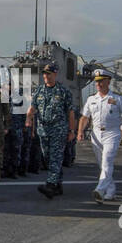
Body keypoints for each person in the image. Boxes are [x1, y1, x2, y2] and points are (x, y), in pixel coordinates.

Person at [77, 69, 122, 203]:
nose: (99, 84)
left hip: (112, 133)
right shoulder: (91, 99)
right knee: (102, 165)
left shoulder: (117, 99)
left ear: (108, 81)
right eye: (97, 81)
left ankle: (100, 190)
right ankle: (110, 191)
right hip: (96, 134)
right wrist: (80, 132)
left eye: (101, 81)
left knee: (107, 161)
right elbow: (84, 117)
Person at [25, 62, 77, 199]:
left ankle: (51, 185)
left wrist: (72, 131)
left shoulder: (63, 91)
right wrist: (28, 119)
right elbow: (32, 108)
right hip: (43, 130)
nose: (45, 76)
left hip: (58, 129)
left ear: (55, 74)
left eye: (48, 73)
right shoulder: (39, 91)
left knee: (55, 156)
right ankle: (58, 184)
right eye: (44, 74)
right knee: (47, 157)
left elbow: (71, 112)